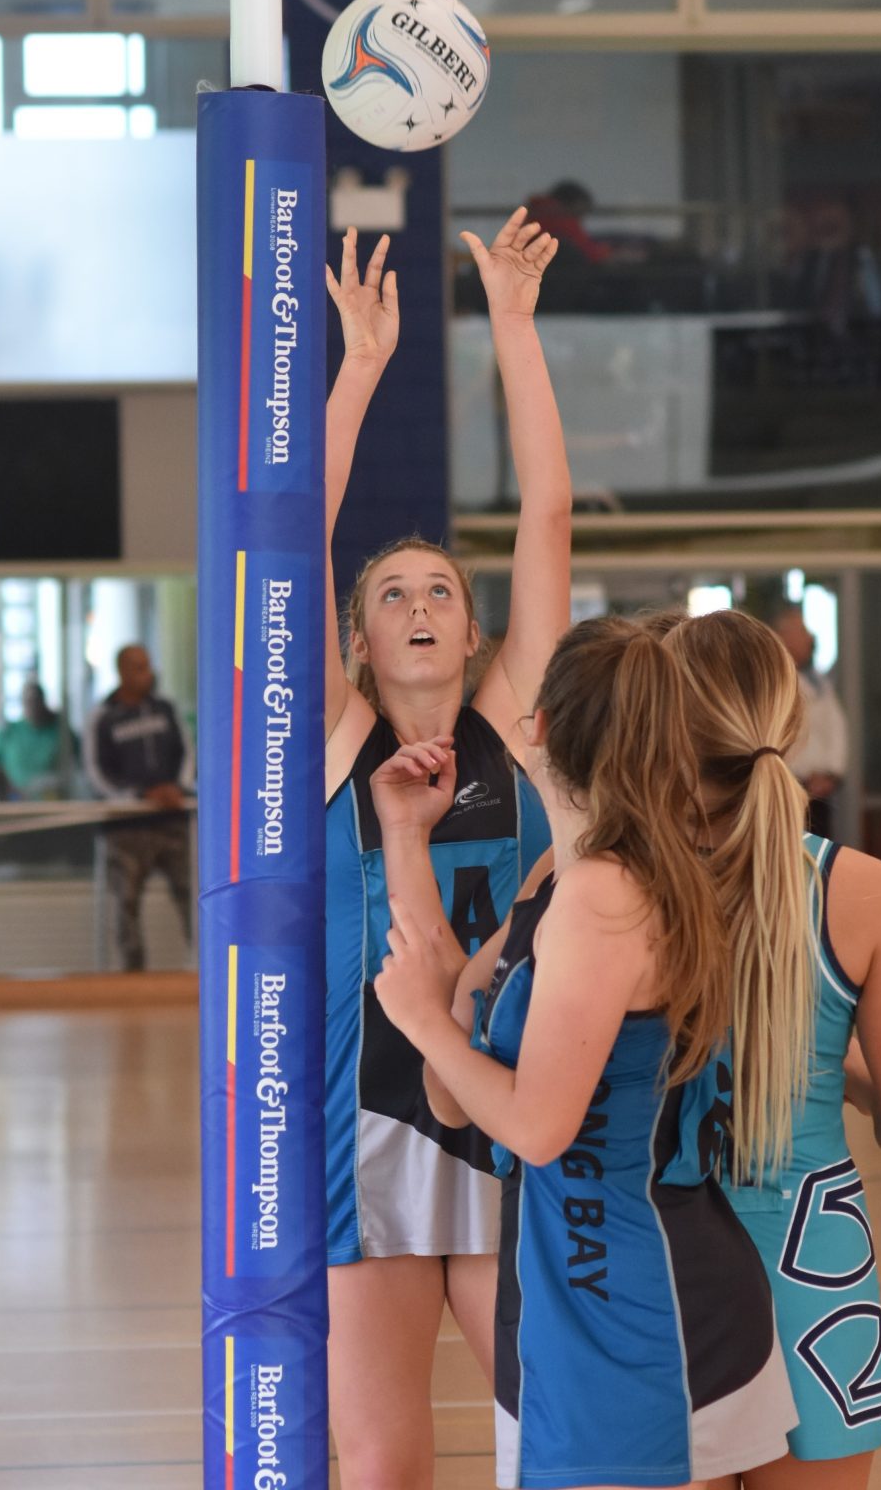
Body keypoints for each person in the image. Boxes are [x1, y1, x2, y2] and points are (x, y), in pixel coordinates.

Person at [373, 617, 798, 1488]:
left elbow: (532, 1125)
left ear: (539, 727)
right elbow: (453, 1058)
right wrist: (406, 836)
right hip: (569, 1296)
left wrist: (424, 1028)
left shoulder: (607, 896)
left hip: (634, 1304)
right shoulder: (561, 881)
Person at [322, 210, 571, 1489]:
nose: (419, 604)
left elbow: (546, 514)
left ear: (473, 634)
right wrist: (357, 371)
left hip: (506, 1104)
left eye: (440, 592)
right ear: (358, 640)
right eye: (391, 595)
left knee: (552, 1431)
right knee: (381, 1460)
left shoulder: (517, 731)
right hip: (364, 1115)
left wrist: (513, 329)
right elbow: (282, 553)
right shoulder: (333, 746)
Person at [663, 611, 881, 1488]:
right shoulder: (861, 889)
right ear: (786, 725)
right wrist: (840, 1076)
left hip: (668, 1269)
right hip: (815, 1272)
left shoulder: (617, 881)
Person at [83, 644, 192, 971]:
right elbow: (96, 773)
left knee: (190, 893)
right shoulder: (103, 716)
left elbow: (186, 754)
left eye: (148, 665)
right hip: (126, 827)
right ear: (122, 672)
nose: (148, 673)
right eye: (140, 667)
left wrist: (178, 788)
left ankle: (205, 966)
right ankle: (132, 976)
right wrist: (141, 795)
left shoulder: (165, 708)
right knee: (126, 904)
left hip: (172, 821)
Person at [774, 607, 848, 839]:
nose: (809, 637)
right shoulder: (775, 681)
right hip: (791, 788)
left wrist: (831, 774)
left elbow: (837, 730)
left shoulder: (819, 682)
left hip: (821, 791)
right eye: (802, 631)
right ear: (783, 637)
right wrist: (800, 777)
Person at [0, 681, 77, 801]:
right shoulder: (9, 732)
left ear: (43, 702)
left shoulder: (59, 731)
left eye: (36, 701)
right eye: (28, 701)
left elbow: (80, 760)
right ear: (22, 703)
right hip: (16, 800)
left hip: (52, 799)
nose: (33, 706)